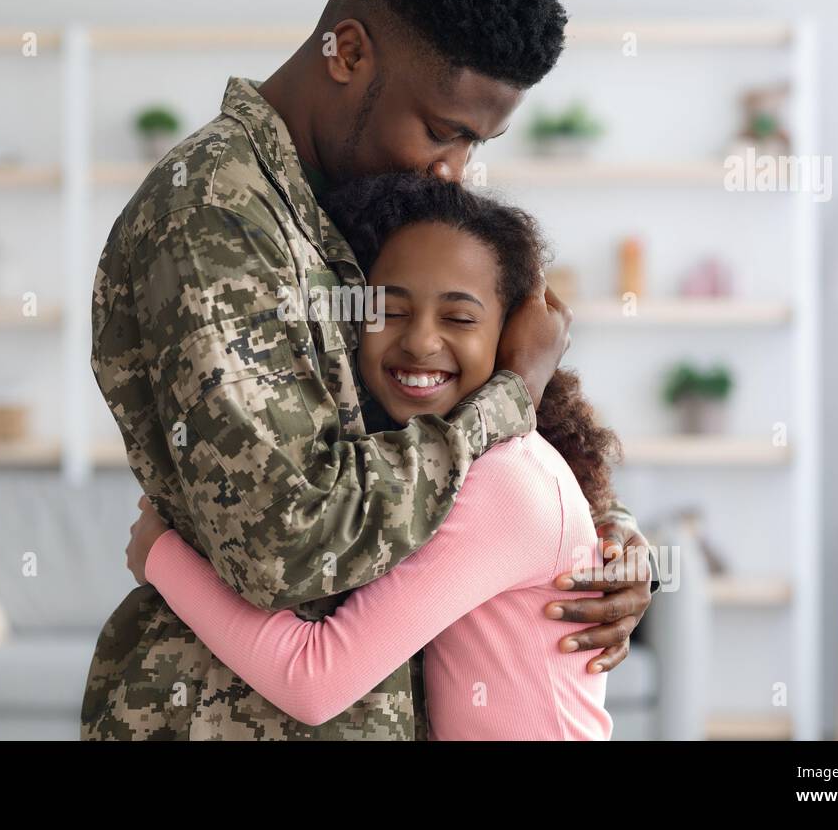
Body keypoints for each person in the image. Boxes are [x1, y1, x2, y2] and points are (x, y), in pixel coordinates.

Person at [83, 0, 654, 741]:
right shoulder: (213, 213)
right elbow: (286, 540)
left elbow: (432, 437)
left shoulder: (360, 207)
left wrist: (594, 540)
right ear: (347, 52)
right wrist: (510, 395)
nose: (453, 170)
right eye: (440, 130)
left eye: (475, 147)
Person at [127, 175, 621, 739]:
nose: (419, 341)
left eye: (459, 318)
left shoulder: (503, 478)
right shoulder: (406, 459)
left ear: (506, 337)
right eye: (390, 309)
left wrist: (159, 554)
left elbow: (314, 679)